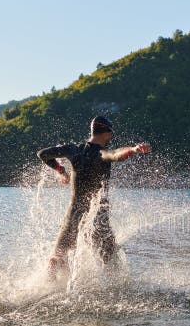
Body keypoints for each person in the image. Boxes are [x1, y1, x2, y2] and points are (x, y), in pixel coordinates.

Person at [36, 116, 151, 274]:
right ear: (106, 133)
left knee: (58, 257)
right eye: (110, 134)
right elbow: (116, 154)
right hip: (98, 218)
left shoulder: (73, 150)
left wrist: (61, 170)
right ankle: (116, 292)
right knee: (113, 262)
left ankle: (45, 289)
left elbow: (43, 154)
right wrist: (133, 149)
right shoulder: (101, 154)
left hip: (74, 214)